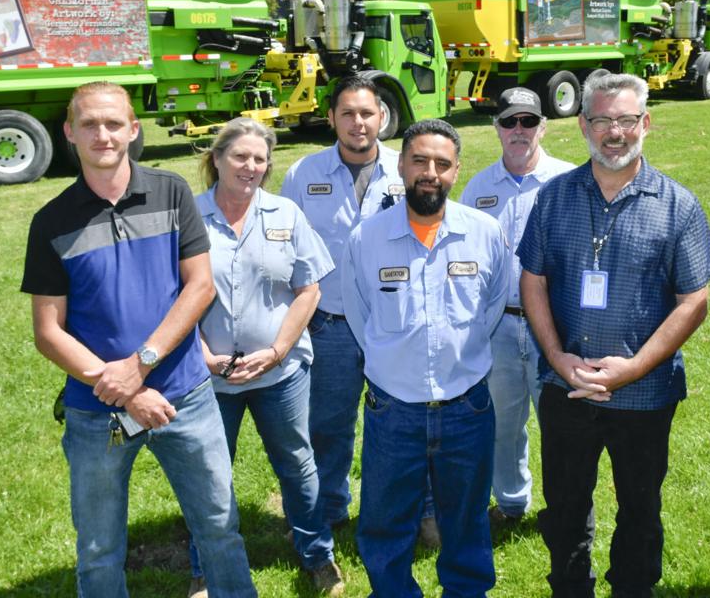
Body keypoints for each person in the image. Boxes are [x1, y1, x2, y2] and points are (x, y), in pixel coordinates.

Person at [20, 81, 256, 598]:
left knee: (219, 527)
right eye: (89, 124)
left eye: (112, 123)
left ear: (133, 129)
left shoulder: (171, 191)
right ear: (69, 133)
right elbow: (47, 331)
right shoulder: (50, 222)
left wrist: (142, 364)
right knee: (100, 548)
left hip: (186, 398)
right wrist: (125, 387)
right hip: (96, 410)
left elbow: (200, 287)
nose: (102, 135)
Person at [518, 72, 710, 598]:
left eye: (626, 120)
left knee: (640, 508)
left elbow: (694, 301)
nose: (614, 132)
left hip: (644, 394)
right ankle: (570, 587)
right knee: (564, 507)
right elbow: (532, 280)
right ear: (583, 125)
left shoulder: (679, 205)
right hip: (568, 388)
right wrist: (558, 358)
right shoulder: (553, 198)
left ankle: (633, 588)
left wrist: (634, 368)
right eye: (602, 120)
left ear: (645, 123)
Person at [342, 118, 509, 597]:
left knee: (467, 521)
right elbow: (360, 315)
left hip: (467, 407)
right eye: (419, 160)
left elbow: (492, 306)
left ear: (456, 171)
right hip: (393, 410)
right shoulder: (367, 239)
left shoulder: (484, 233)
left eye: (441, 163)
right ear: (401, 165)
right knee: (385, 524)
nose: (429, 172)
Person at [187, 118, 343, 595]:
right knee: (209, 473)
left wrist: (277, 352)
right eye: (240, 157)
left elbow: (308, 289)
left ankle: (318, 555)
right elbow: (168, 296)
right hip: (209, 375)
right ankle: (205, 567)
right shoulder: (188, 217)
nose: (251, 166)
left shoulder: (285, 213)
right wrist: (202, 353)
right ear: (216, 159)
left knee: (297, 464)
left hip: (281, 373)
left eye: (260, 159)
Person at [279, 76, 414, 534]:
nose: (359, 122)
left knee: (400, 423)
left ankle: (398, 509)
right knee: (329, 426)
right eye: (348, 113)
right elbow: (286, 249)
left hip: (394, 322)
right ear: (332, 117)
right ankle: (331, 510)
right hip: (329, 326)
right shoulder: (303, 174)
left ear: (382, 116)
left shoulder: (407, 168)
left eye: (367, 113)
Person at [459, 86, 573, 527]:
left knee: (561, 426)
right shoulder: (478, 188)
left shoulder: (569, 181)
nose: (519, 130)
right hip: (498, 328)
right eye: (510, 122)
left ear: (543, 127)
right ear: (496, 128)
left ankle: (566, 507)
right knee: (503, 426)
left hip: (555, 328)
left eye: (528, 121)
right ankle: (510, 504)